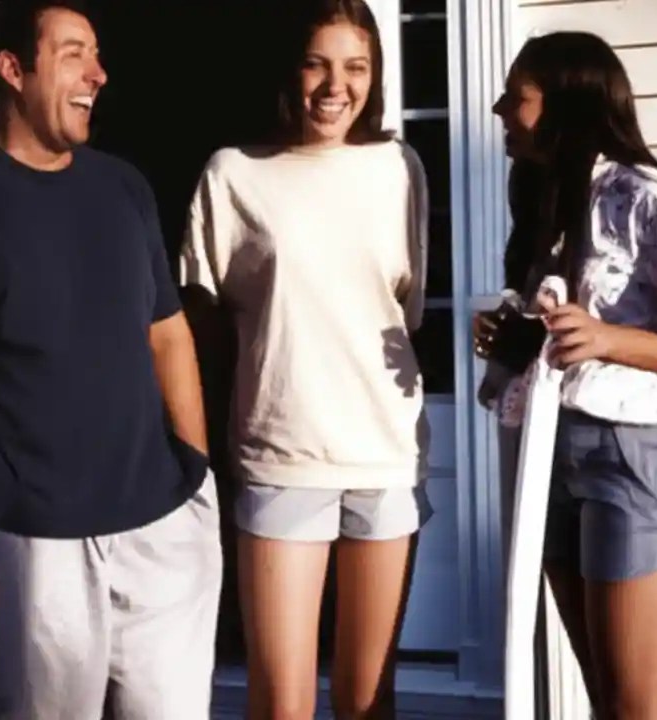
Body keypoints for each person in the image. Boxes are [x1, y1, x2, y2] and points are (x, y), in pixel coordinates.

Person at [0, 0, 220, 717]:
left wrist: (194, 467)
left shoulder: (123, 186)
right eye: (73, 53)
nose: (98, 73)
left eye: (95, 54)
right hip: (28, 546)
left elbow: (168, 331)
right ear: (12, 69)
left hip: (162, 525)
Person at [483, 31, 657, 719]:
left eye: (518, 96)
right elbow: (578, 339)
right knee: (606, 699)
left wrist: (604, 338)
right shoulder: (548, 197)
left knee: (635, 704)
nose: (499, 108)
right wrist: (520, 341)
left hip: (638, 456)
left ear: (568, 102)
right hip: (559, 452)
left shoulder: (645, 197)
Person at [179, 1, 431, 716]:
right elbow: (203, 323)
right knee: (281, 703)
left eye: (356, 67)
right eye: (317, 62)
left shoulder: (398, 168)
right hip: (281, 453)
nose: (335, 85)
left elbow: (401, 310)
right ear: (290, 70)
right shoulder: (234, 174)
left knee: (368, 701)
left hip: (386, 455)